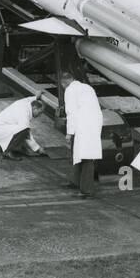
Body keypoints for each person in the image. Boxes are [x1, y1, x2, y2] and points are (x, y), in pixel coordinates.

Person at [62, 69, 103, 197]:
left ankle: (86, 190)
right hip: (94, 122)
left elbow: (71, 112)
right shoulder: (87, 87)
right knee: (79, 152)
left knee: (86, 156)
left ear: (65, 83)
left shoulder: (70, 90)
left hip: (83, 123)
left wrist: (69, 133)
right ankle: (75, 181)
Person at [0, 95, 46, 159]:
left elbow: (28, 99)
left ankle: (0, 145)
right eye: (40, 112)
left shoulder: (25, 103)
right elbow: (27, 134)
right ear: (34, 108)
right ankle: (7, 152)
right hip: (0, 130)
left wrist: (36, 97)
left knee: (20, 128)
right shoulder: (24, 113)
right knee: (24, 131)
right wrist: (37, 149)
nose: (40, 115)